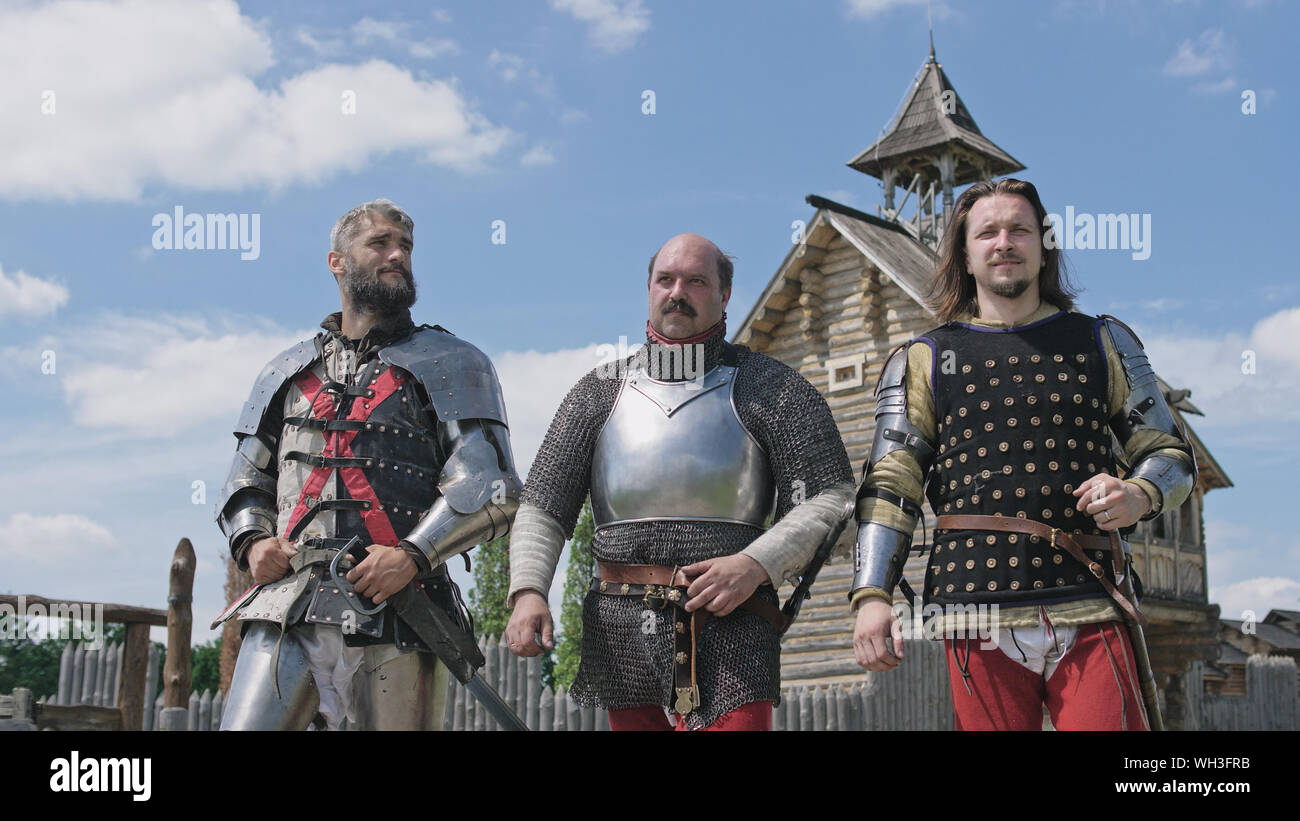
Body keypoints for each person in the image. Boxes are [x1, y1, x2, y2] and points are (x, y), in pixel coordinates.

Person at [850, 179, 1196, 730]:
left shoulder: (1102, 341)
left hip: (1089, 595)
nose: (1004, 242)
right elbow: (892, 484)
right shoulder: (923, 359)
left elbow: (1171, 454)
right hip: (973, 606)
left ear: (1044, 245)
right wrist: (872, 595)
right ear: (965, 253)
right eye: (987, 232)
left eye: (1019, 230)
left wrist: (1139, 492)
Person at [505, 233, 854, 731]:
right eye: (665, 280)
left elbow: (833, 499)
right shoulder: (598, 393)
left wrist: (756, 563)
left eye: (695, 281)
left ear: (724, 295)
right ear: (648, 288)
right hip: (622, 630)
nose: (677, 292)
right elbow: (542, 505)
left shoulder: (773, 389)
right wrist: (528, 590)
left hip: (733, 630)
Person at [213, 199, 521, 730]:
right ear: (337, 262)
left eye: (405, 247)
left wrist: (412, 555)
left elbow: (491, 484)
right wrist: (253, 542)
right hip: (287, 606)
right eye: (380, 244)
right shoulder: (285, 370)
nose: (397, 255)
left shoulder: (454, 362)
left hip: (402, 610)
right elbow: (246, 478)